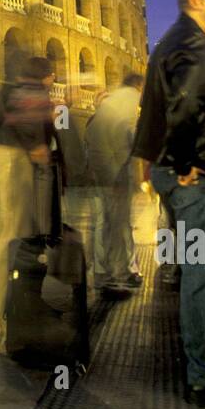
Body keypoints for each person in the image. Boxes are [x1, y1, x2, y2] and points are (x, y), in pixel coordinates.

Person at [132, 0, 205, 405]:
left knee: (203, 272)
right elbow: (186, 103)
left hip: (183, 170)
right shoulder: (193, 43)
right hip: (197, 174)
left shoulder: (180, 40)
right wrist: (186, 160)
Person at [0, 56, 65, 356]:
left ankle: (2, 319)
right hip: (14, 158)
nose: (53, 80)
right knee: (8, 240)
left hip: (8, 156)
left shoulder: (19, 90)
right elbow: (25, 126)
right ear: (46, 76)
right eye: (52, 75)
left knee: (11, 237)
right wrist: (35, 146)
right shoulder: (31, 91)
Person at [85, 72, 146, 296]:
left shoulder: (113, 101)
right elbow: (123, 135)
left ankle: (111, 274)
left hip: (104, 170)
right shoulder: (130, 98)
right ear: (139, 85)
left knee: (111, 224)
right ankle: (117, 277)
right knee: (117, 224)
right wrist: (120, 175)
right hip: (114, 172)